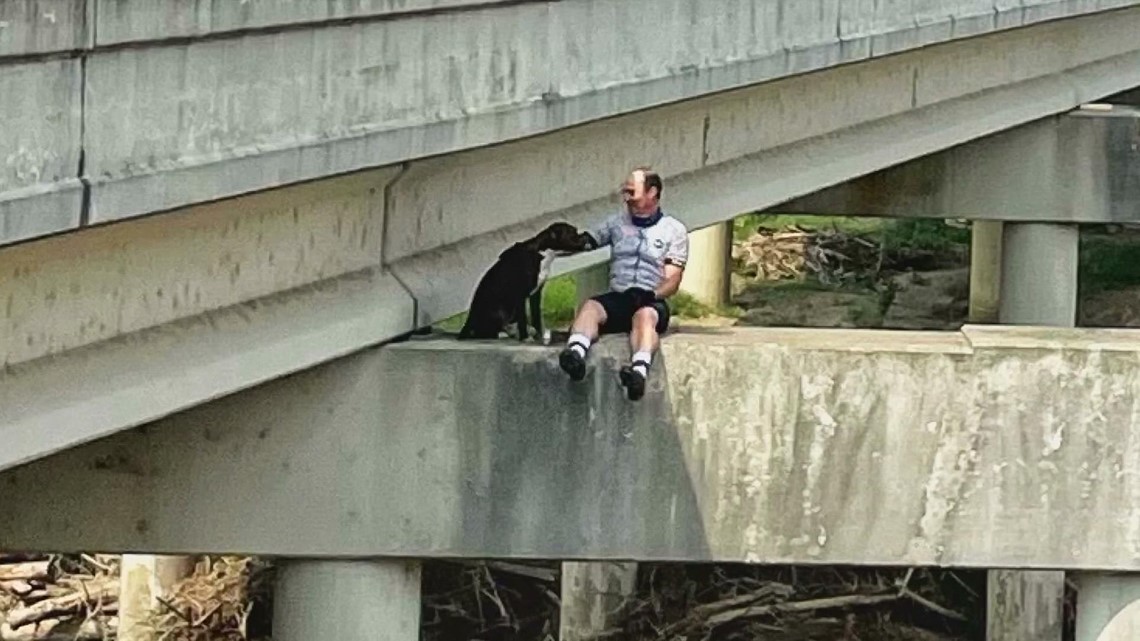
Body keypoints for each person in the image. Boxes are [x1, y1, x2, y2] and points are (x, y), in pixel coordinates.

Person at [558, 167, 689, 401]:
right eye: (625, 193)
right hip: (620, 294)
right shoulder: (615, 223)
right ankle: (575, 355)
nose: (626, 198)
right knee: (590, 307)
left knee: (644, 317)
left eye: (632, 192)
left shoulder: (674, 230)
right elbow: (588, 241)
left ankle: (638, 372)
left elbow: (673, 280)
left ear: (652, 192)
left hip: (650, 299)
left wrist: (652, 294)